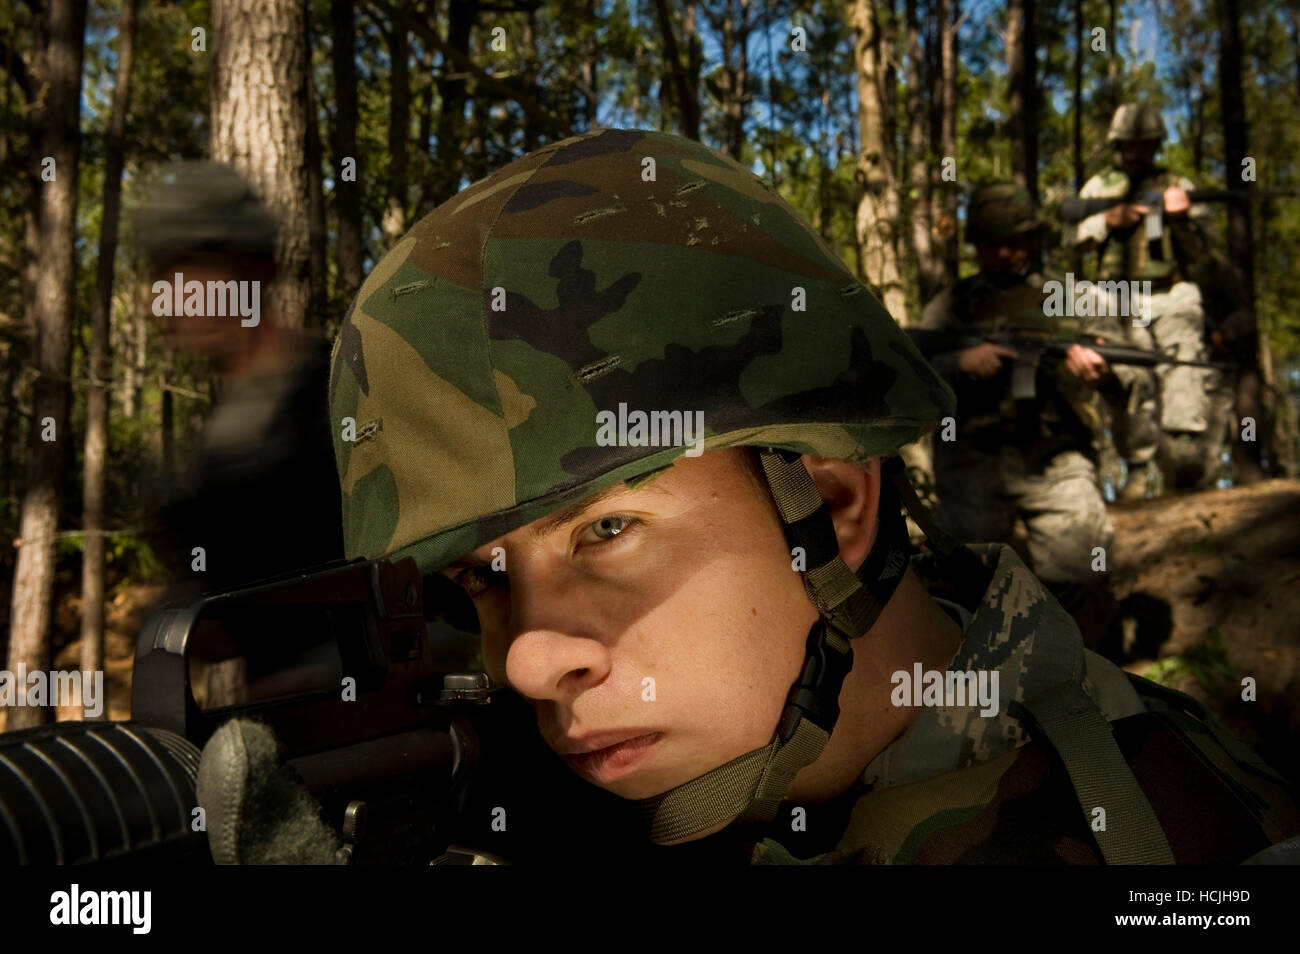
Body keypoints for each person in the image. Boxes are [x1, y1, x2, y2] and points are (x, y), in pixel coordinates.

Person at [200, 128, 1299, 865]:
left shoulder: (1174, 843)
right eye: (484, 576)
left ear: (831, 501)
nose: (528, 660)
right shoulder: (606, 785)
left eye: (609, 529)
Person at [918, 182, 1118, 654]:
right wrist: (960, 365)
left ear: (1034, 240)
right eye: (993, 243)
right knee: (961, 583)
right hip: (971, 463)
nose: (1007, 252)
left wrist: (1104, 372)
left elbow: (1129, 371)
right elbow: (914, 374)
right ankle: (976, 698)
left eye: (1017, 241)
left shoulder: (1075, 298)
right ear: (977, 244)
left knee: (1084, 575)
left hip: (1056, 458)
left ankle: (1093, 692)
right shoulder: (950, 307)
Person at [134, 161, 345, 597]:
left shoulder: (337, 397)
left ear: (250, 269)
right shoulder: (228, 429)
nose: (162, 298)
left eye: (180, 271)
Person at [1066, 103, 1230, 496]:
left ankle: (1183, 457)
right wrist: (1106, 221)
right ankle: (1138, 467)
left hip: (1169, 293)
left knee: (1182, 359)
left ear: (1156, 144)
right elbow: (1069, 240)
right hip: (1115, 298)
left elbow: (1205, 255)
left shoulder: (1178, 184)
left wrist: (1181, 219)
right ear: (1118, 145)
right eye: (1130, 145)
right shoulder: (1097, 188)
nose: (1137, 152)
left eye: (1145, 144)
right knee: (1128, 378)